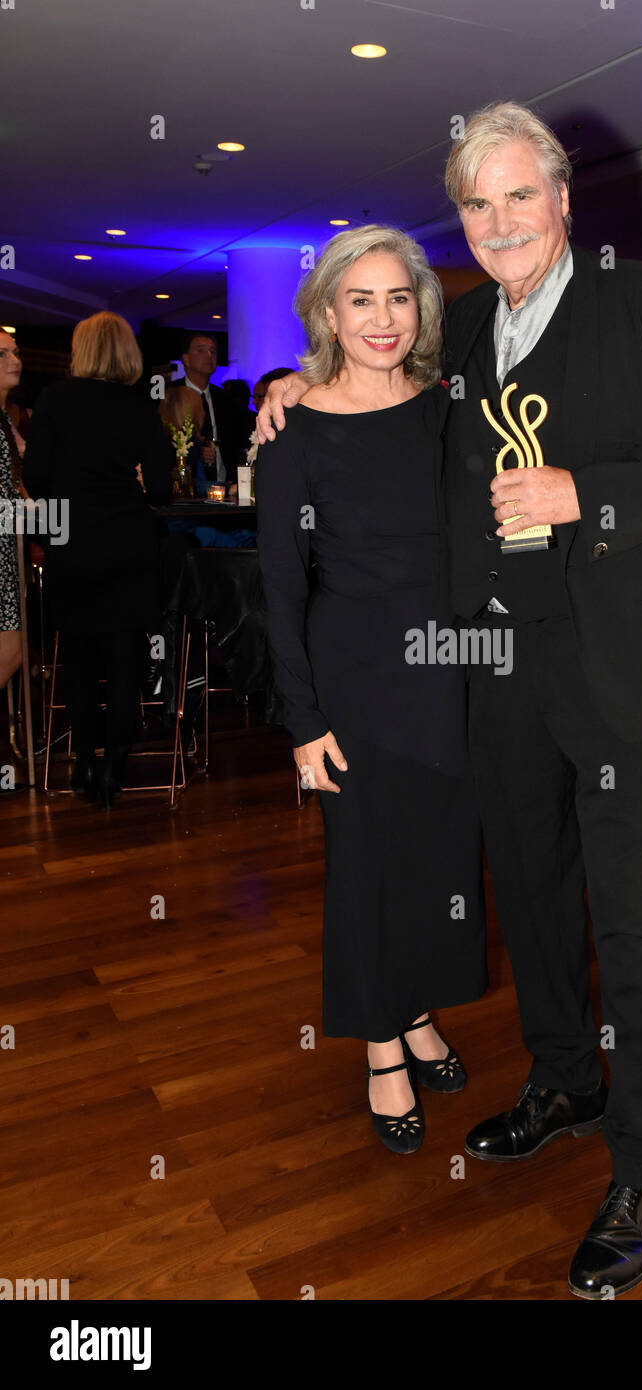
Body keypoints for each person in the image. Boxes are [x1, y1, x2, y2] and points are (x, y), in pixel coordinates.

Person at [259, 101, 642, 1296]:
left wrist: (584, 494)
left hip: (621, 675)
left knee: (630, 915)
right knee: (530, 893)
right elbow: (381, 423)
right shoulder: (467, 332)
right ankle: (563, 1080)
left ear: (563, 199)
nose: (496, 223)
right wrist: (295, 382)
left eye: (517, 195)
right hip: (493, 671)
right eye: (475, 204)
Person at [256, 226, 487, 1155]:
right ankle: (382, 1045)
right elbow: (280, 585)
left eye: (400, 298)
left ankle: (417, 1007)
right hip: (351, 679)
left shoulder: (445, 411)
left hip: (448, 673)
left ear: (421, 309)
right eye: (362, 300)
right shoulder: (294, 430)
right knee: (365, 865)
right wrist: (302, 722)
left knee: (435, 859)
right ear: (329, 316)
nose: (384, 318)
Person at [21, 312, 174, 807]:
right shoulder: (139, 405)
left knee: (79, 659)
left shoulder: (52, 400)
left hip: (73, 542)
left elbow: (38, 478)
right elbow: (158, 487)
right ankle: (113, 769)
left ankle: (83, 763)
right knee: (125, 661)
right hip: (128, 542)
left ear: (80, 350)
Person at [0, 331, 26, 788]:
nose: (15, 359)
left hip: (8, 542)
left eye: (15, 351)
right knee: (13, 649)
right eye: (2, 354)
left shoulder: (8, 417)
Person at [174, 333, 246, 487]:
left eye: (213, 352)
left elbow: (233, 442)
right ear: (185, 359)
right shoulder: (172, 394)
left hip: (224, 485)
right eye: (200, 350)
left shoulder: (224, 398)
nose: (208, 355)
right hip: (185, 487)